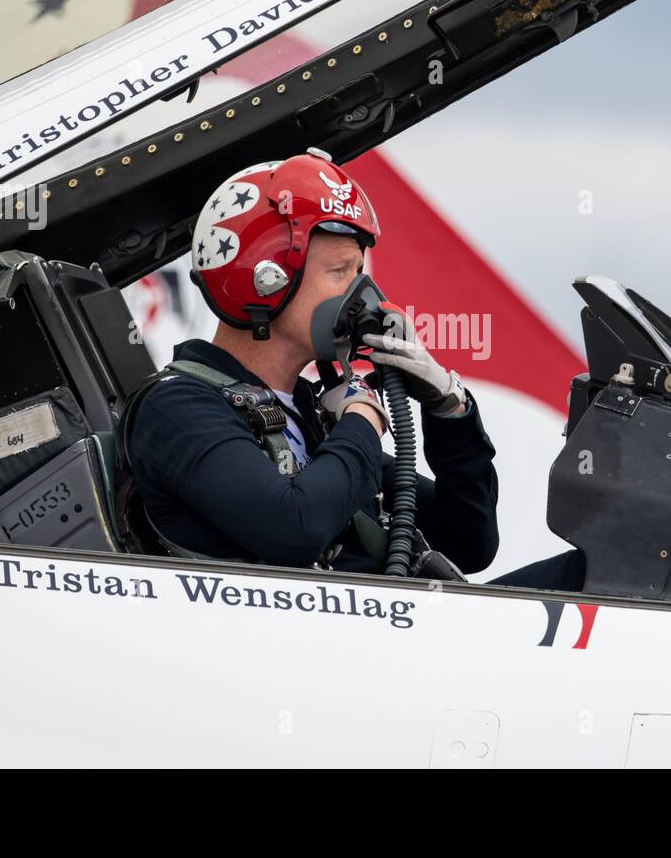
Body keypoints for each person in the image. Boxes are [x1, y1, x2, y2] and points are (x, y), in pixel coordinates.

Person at [126, 147, 584, 589]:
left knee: (596, 572)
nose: (367, 295)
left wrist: (448, 407)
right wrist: (363, 420)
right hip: (314, 654)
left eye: (360, 270)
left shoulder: (311, 415)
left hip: (391, 640)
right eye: (341, 270)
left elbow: (471, 542)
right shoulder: (178, 408)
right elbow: (294, 528)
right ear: (263, 280)